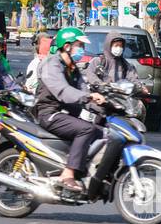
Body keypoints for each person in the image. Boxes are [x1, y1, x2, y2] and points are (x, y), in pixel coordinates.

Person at [33, 26, 108, 195]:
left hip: (65, 113)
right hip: (49, 113)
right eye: (79, 46)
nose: (82, 50)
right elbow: (63, 91)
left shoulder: (73, 68)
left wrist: (104, 106)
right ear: (67, 46)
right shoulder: (51, 64)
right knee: (86, 129)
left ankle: (88, 173)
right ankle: (68, 174)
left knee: (101, 132)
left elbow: (84, 90)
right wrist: (88, 98)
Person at [82, 34, 146, 97]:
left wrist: (140, 87)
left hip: (120, 98)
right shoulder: (98, 61)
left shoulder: (125, 64)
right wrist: (100, 84)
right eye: (116, 45)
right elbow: (90, 74)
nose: (119, 48)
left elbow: (133, 77)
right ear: (109, 46)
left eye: (121, 46)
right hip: (101, 97)